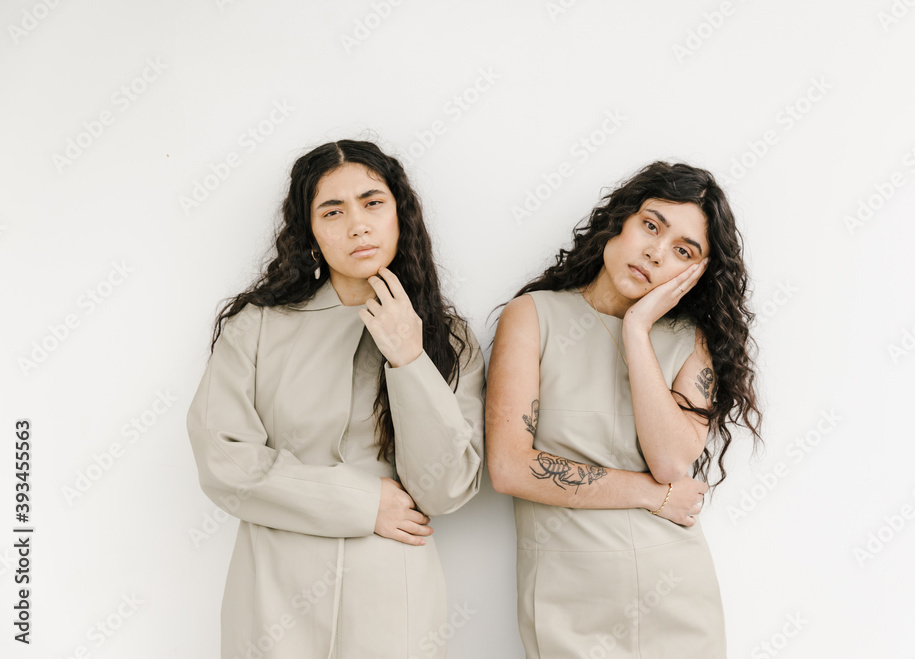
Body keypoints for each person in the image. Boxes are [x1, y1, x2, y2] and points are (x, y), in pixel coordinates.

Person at [186, 139, 485, 658]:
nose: (357, 225)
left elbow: (447, 489)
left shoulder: (449, 338)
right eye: (332, 211)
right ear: (310, 234)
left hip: (394, 597)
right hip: (273, 595)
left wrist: (409, 360)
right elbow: (224, 462)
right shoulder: (257, 327)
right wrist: (362, 501)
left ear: (401, 214)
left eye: (373, 203)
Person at [486, 160, 762, 658]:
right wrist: (650, 496)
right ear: (620, 221)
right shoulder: (534, 317)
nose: (656, 253)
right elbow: (508, 467)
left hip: (677, 599)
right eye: (650, 226)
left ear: (695, 273)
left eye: (682, 250)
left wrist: (636, 329)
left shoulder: (689, 340)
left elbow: (671, 462)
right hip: (567, 603)